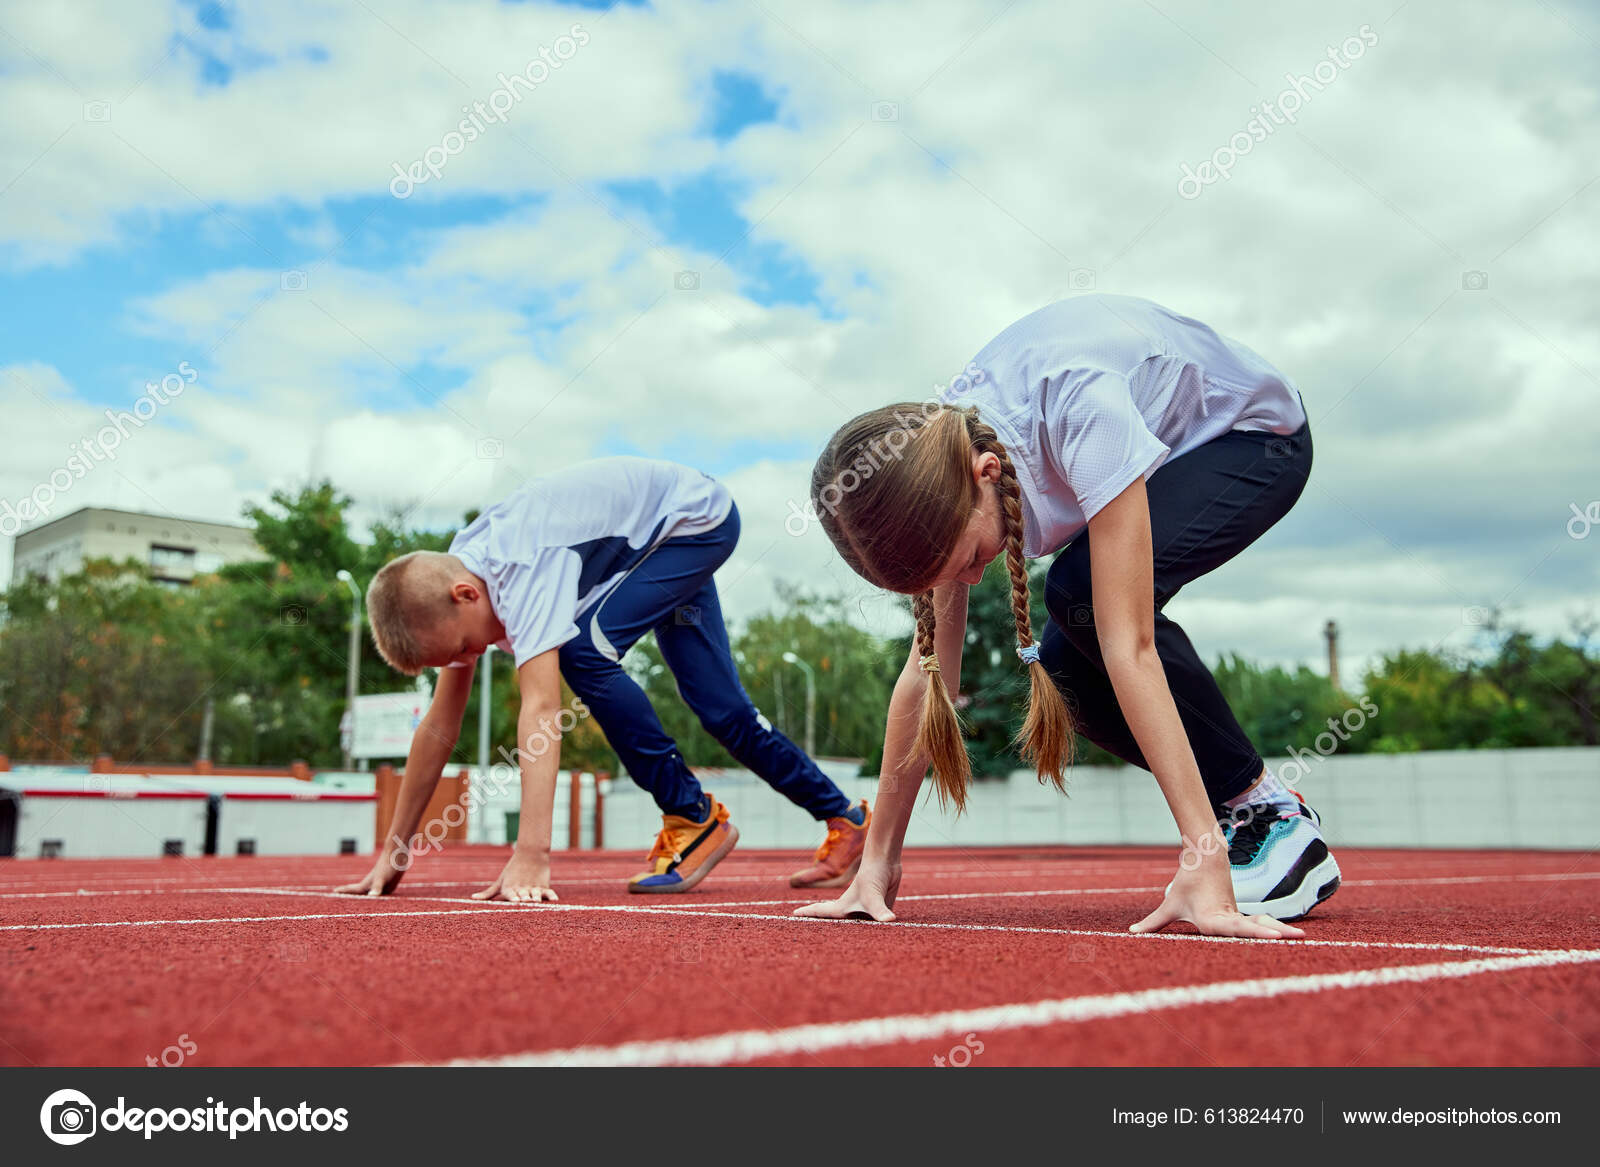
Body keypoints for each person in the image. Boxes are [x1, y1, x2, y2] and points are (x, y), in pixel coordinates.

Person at [797, 293, 1339, 937]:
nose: (972, 580)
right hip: (1153, 440)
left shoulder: (1084, 412)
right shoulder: (936, 478)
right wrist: (878, 864)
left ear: (987, 473)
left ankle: (1262, 815)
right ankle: (1252, 810)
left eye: (970, 558)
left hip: (1252, 440)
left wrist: (1205, 862)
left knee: (1080, 595)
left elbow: (1129, 645)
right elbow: (928, 672)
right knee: (1060, 673)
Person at [335, 455, 869, 901]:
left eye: (465, 648)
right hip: (649, 548)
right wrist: (394, 852)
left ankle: (694, 817)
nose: (474, 656)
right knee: (723, 709)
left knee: (583, 651)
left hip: (694, 525)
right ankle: (844, 818)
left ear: (466, 596)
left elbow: (541, 710)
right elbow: (438, 728)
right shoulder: (462, 580)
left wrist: (531, 855)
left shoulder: (522, 567)